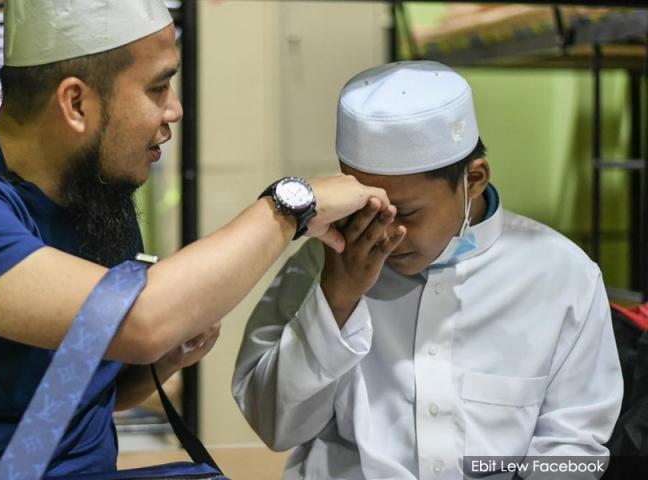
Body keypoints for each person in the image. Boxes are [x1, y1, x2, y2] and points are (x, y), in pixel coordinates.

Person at [0, 1, 390, 478]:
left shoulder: (96, 206)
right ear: (76, 104)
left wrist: (164, 359)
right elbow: (140, 320)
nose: (174, 109)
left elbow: (75, 397)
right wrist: (289, 205)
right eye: (158, 86)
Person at [232, 61, 624, 479]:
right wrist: (336, 300)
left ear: (473, 179)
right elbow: (275, 426)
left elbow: (574, 444)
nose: (386, 234)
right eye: (364, 210)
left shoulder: (562, 275)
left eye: (408, 213)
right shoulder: (319, 264)